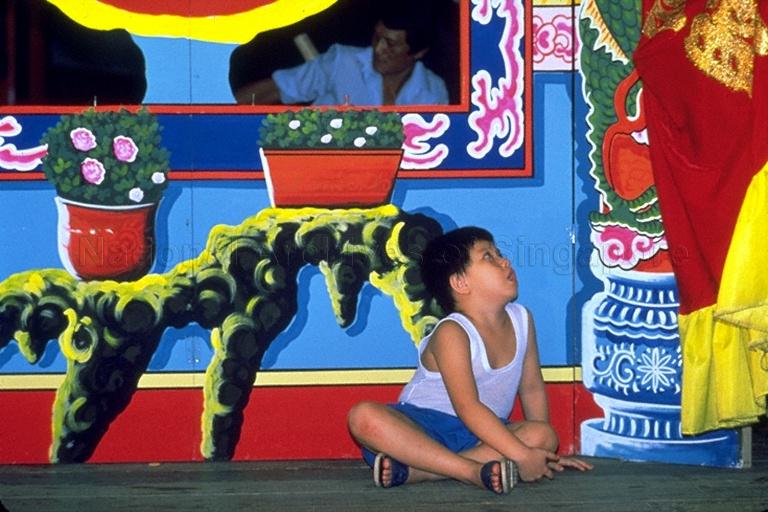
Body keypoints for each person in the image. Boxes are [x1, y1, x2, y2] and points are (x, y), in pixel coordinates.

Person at [347, 227, 593, 494]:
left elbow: (532, 388)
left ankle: (420, 472)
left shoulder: (522, 319)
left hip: (482, 436)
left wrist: (541, 453)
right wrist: (521, 456)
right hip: (423, 429)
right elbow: (468, 407)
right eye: (488, 256)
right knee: (364, 417)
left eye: (499, 253)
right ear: (460, 283)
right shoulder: (452, 332)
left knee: (543, 435)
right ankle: (469, 471)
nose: (504, 261)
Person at [234, 2, 449, 106]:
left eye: (390, 44)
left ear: (419, 52)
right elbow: (268, 92)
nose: (378, 49)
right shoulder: (341, 61)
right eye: (377, 38)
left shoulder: (433, 92)